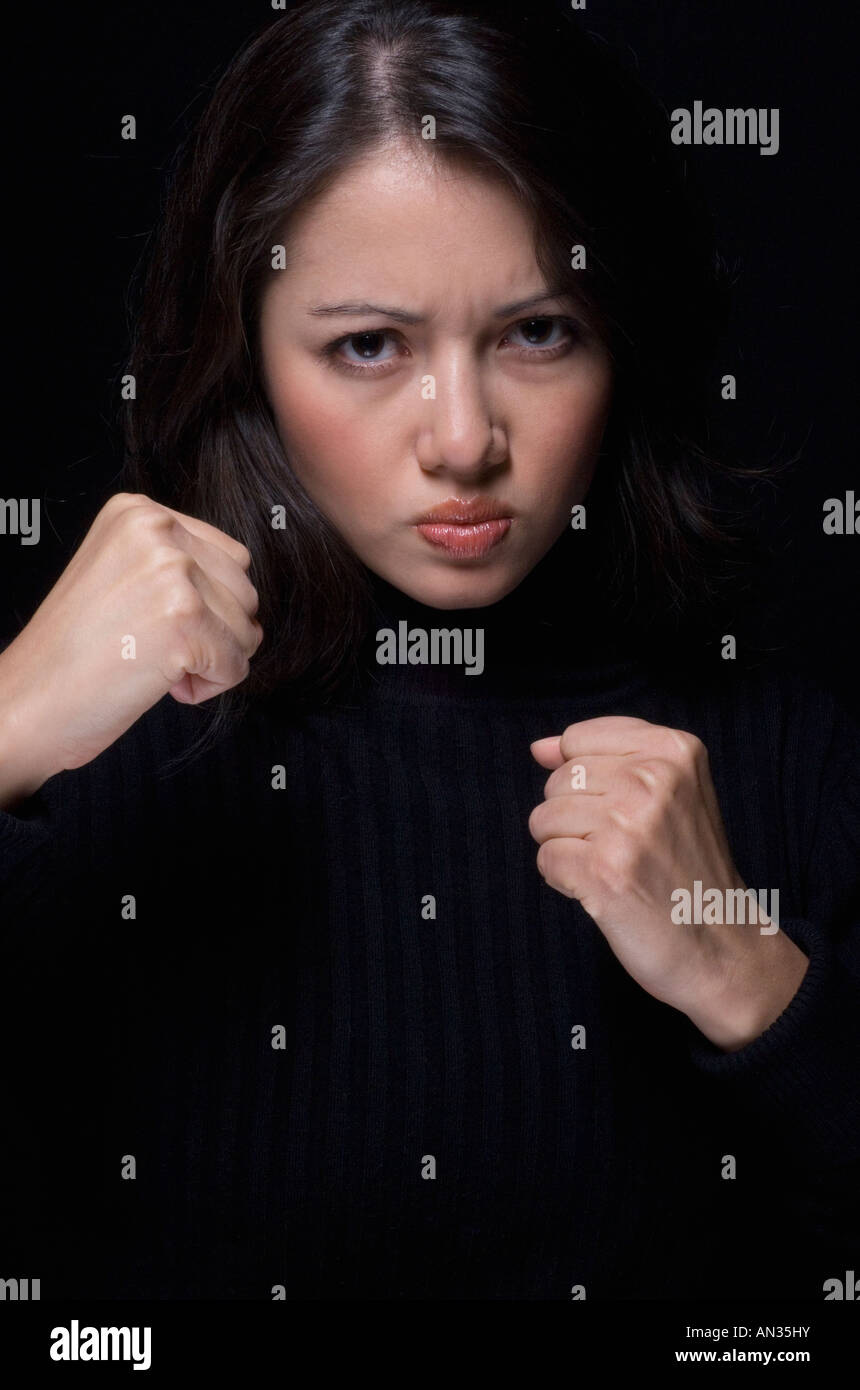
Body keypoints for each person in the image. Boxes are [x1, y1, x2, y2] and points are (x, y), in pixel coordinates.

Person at [1, 0, 857, 1301]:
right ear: (248, 358)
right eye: (368, 346)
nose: (463, 438)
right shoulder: (95, 747)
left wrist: (747, 970)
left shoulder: (786, 747)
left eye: (536, 332)